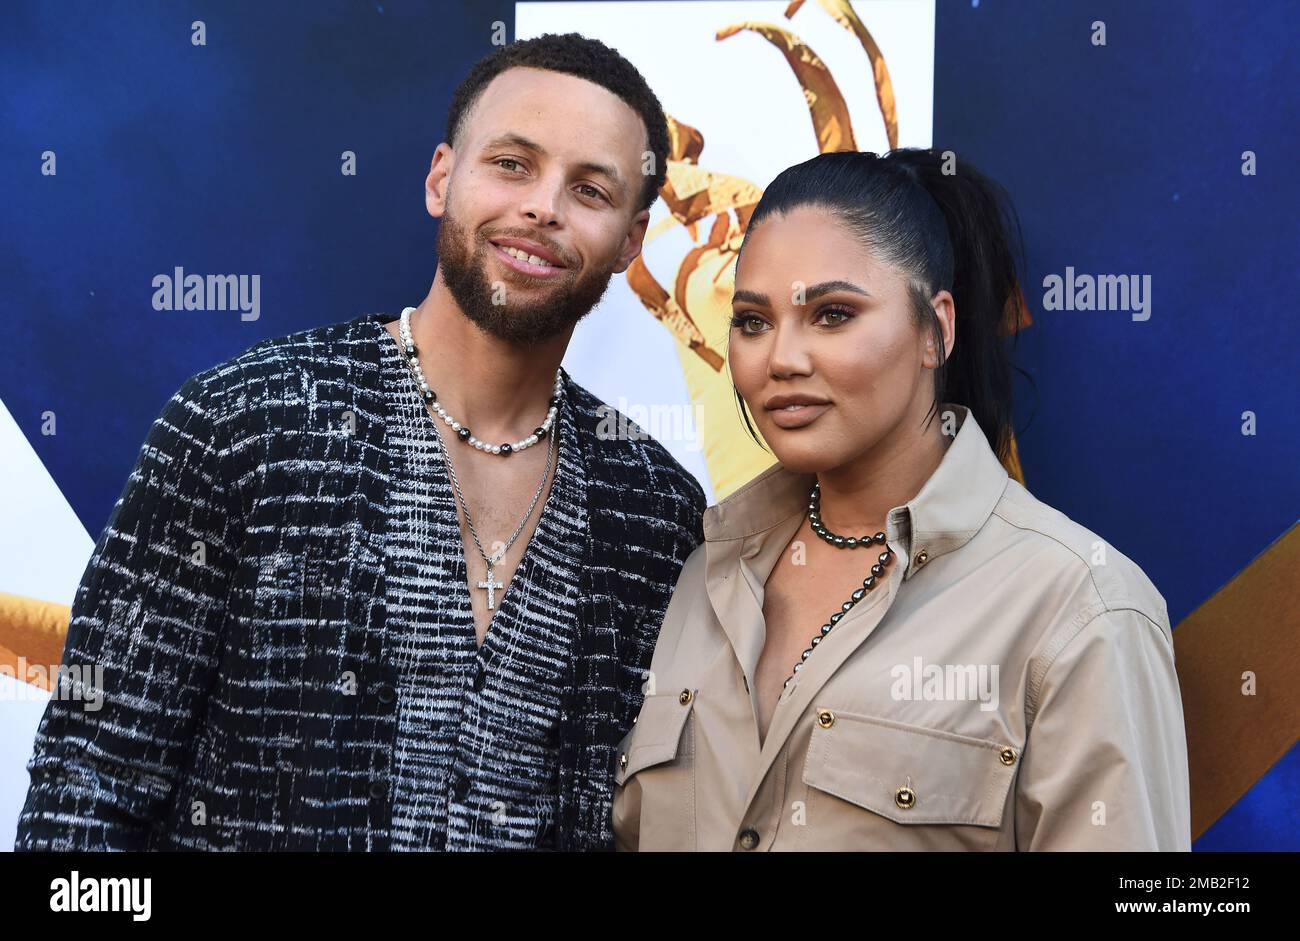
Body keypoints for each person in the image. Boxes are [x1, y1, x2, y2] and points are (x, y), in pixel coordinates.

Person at [16, 32, 705, 852]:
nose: (544, 207)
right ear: (441, 177)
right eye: (513, 164)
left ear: (631, 241)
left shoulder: (654, 508)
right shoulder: (246, 422)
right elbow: (86, 787)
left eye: (591, 189)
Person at [612, 149, 1191, 851]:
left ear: (935, 329)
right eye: (753, 321)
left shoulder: (1079, 606)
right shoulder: (702, 577)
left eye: (831, 314)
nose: (782, 359)